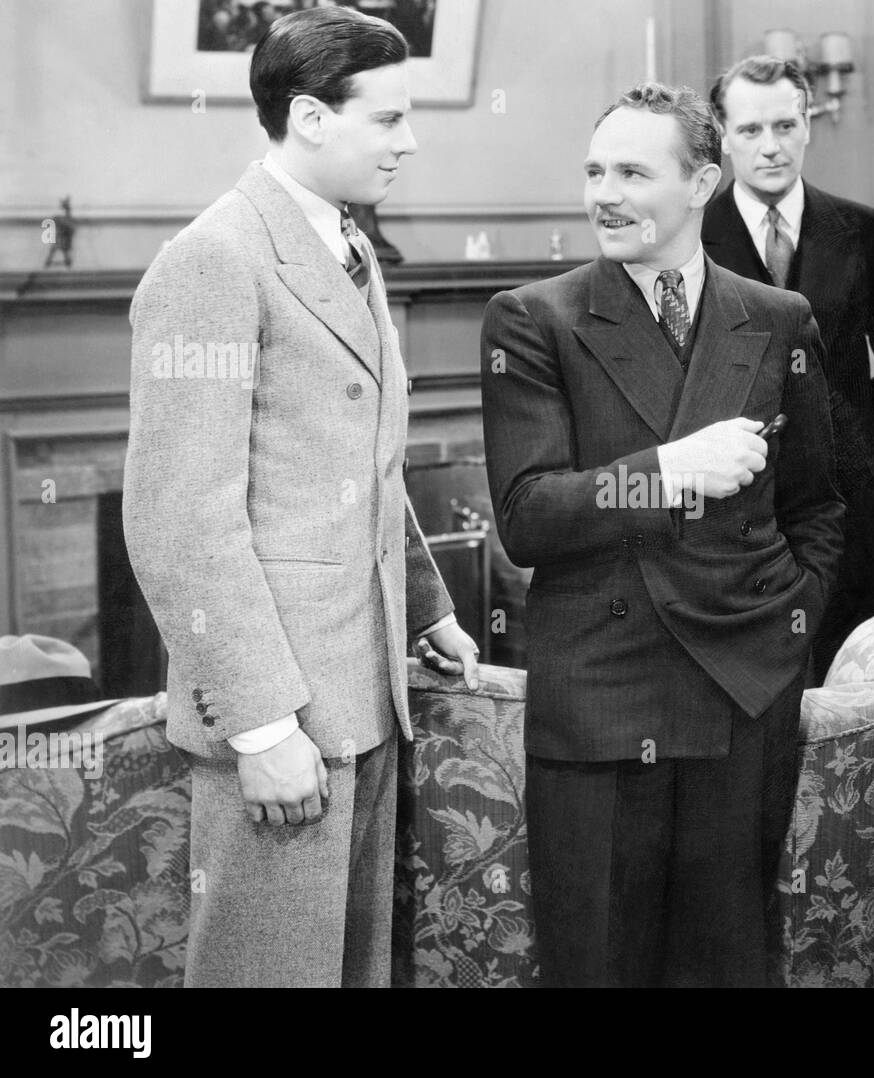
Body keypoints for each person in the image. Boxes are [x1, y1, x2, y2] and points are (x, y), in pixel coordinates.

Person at [122, 5, 479, 988]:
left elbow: (358, 461)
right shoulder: (217, 257)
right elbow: (177, 520)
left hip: (363, 693)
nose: (409, 142)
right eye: (388, 118)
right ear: (312, 118)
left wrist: (428, 606)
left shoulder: (341, 241)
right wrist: (263, 727)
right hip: (279, 715)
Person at [480, 82, 844, 987]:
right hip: (604, 694)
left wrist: (787, 623)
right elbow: (526, 516)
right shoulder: (534, 319)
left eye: (633, 172)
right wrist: (670, 470)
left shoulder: (778, 318)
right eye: (595, 170)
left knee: (726, 962)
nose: (604, 192)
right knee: (601, 961)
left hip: (743, 689)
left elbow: (818, 509)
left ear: (703, 184)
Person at [703, 55, 874, 682]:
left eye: (785, 125)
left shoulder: (861, 230)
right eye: (750, 130)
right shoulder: (692, 236)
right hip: (737, 505)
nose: (771, 147)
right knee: (754, 681)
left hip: (850, 499)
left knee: (857, 677)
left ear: (808, 124)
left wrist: (842, 437)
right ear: (722, 137)